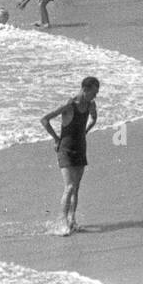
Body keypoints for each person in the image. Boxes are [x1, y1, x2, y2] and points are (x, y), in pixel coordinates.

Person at [42, 77, 100, 237]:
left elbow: (94, 118)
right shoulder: (69, 105)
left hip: (81, 147)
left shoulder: (90, 105)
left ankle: (72, 221)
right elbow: (45, 120)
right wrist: (56, 139)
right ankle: (62, 224)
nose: (95, 96)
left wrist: (86, 131)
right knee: (69, 187)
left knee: (76, 187)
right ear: (85, 89)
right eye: (94, 93)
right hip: (65, 149)